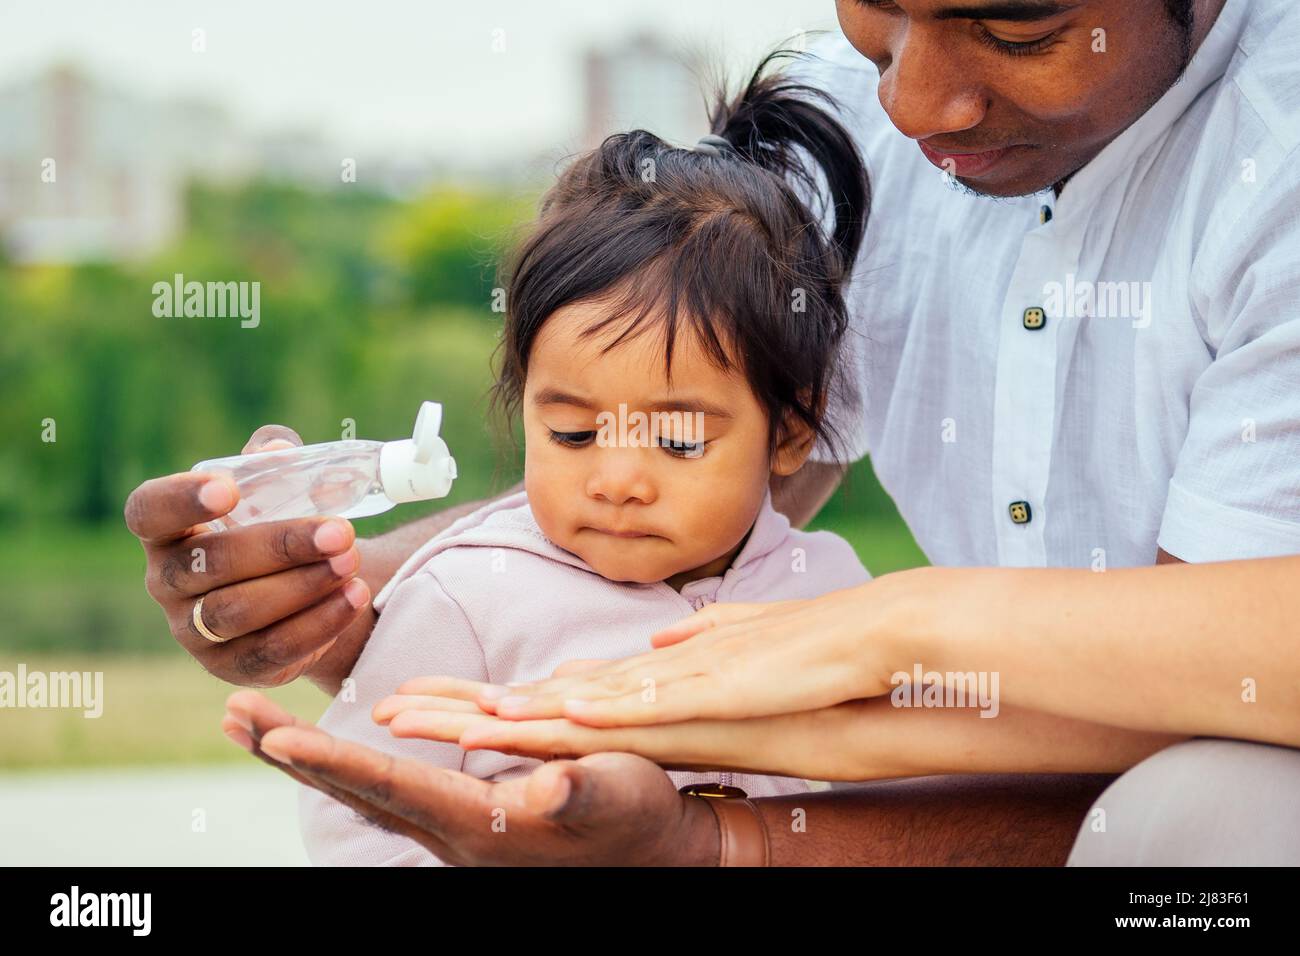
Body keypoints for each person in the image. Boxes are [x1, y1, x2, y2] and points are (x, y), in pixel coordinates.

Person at [130, 0, 1300, 865]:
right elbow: (685, 476)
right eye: (882, 11)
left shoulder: (1275, 158)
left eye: (1015, 24)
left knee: (1200, 816)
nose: (911, 101)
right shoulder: (844, 136)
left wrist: (728, 834)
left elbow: (1206, 689)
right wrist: (366, 587)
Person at [300, 61, 876, 864]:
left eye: (678, 442)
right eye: (573, 435)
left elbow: (895, 809)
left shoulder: (834, 594)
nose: (616, 482)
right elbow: (353, 821)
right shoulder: (464, 600)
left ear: (790, 428)